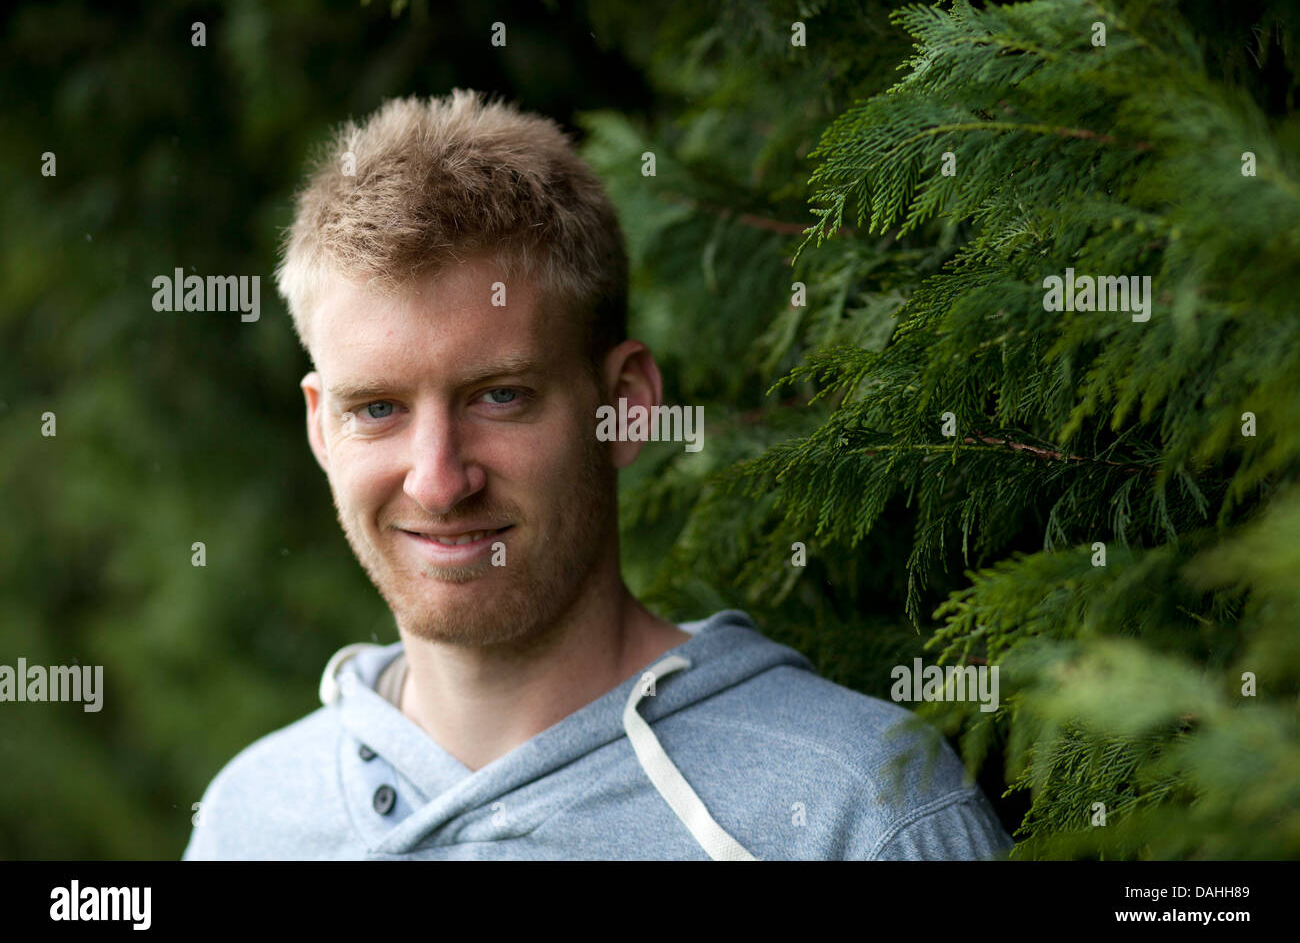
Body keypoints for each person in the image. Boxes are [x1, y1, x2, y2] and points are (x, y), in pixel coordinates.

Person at [183, 88, 1013, 860]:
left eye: (499, 396)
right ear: (320, 428)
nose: (438, 483)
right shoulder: (249, 823)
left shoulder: (861, 811)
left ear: (623, 405)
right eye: (377, 410)